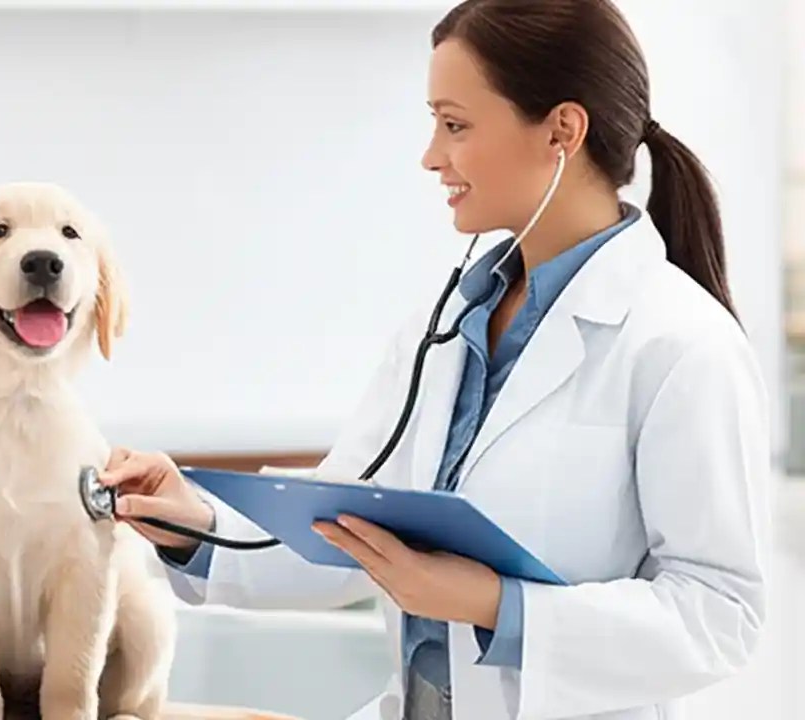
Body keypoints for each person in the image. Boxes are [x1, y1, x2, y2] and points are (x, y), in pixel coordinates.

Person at [100, 1, 771, 719]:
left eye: (455, 125)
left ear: (561, 131)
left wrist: (491, 604)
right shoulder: (449, 323)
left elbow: (719, 613)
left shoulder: (681, 345)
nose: (431, 155)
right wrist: (189, 521)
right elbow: (350, 523)